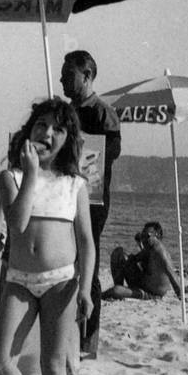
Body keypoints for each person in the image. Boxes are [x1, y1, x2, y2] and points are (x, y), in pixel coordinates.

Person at [0, 97, 94, 375]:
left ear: (68, 140)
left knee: (53, 364)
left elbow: (86, 242)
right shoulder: (11, 177)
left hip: (62, 282)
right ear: (29, 129)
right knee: (0, 361)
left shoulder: (74, 184)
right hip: (19, 279)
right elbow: (16, 225)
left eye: (58, 129)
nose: (48, 133)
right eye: (41, 125)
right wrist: (31, 174)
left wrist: (87, 287)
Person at [60, 50, 120, 358]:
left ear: (87, 76)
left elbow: (109, 154)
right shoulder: (63, 111)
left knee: (88, 262)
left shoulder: (102, 112)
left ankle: (89, 338)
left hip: (93, 197)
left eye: (68, 74)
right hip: (66, 194)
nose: (61, 79)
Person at [107, 222, 183, 300]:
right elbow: (134, 259)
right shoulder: (150, 248)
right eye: (142, 236)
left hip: (151, 293)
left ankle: (112, 294)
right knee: (119, 252)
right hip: (143, 283)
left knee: (116, 290)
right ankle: (119, 292)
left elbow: (172, 275)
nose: (144, 239)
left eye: (147, 236)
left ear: (157, 236)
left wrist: (181, 296)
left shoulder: (160, 252)